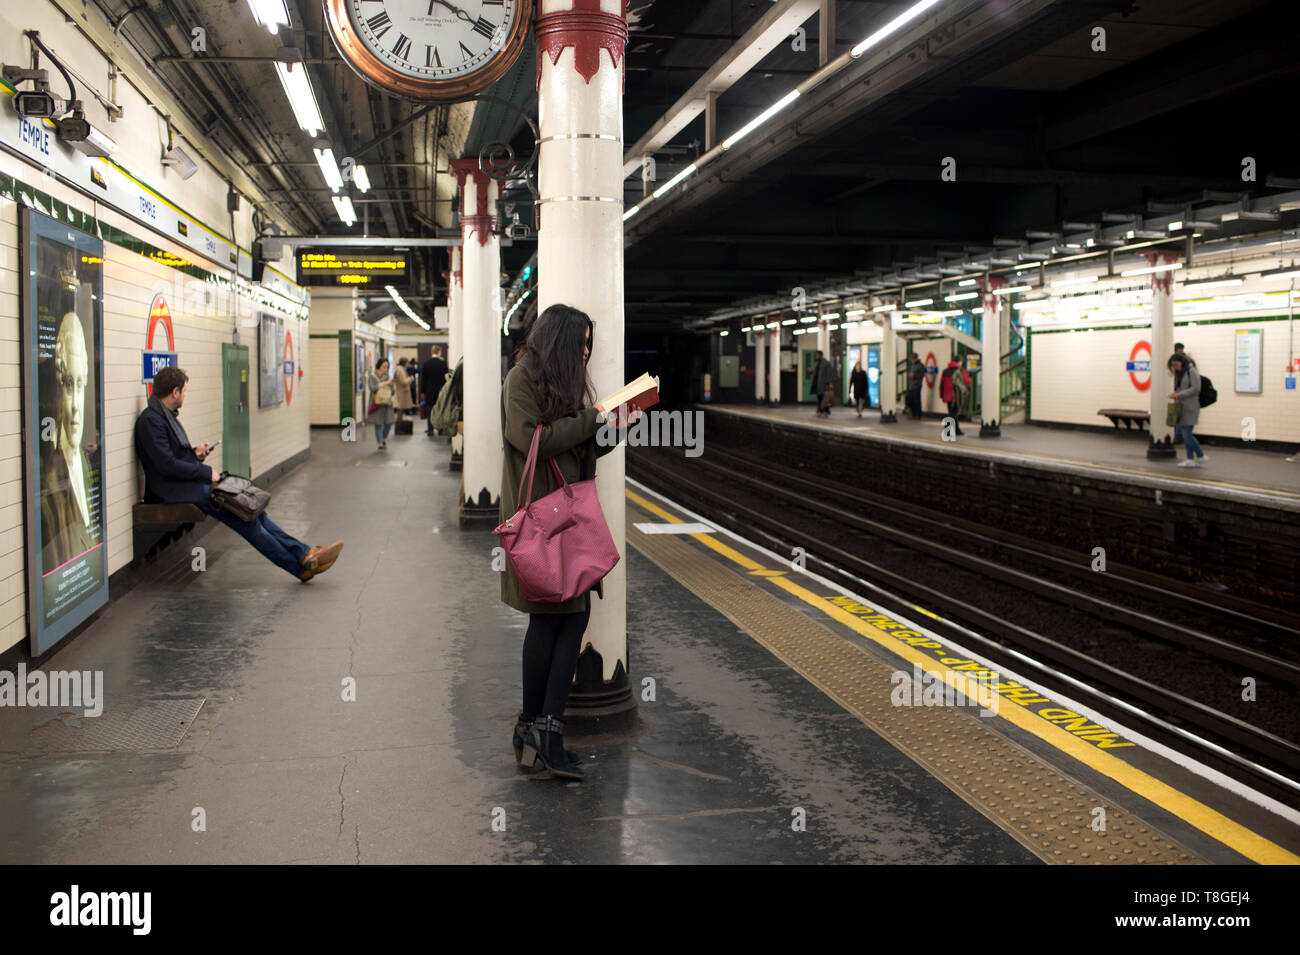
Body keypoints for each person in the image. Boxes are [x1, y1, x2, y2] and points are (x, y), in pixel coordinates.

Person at [501, 304, 621, 782]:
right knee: (551, 620)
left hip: (567, 519)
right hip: (541, 520)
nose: (587, 352)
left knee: (566, 618)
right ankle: (541, 731)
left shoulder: (563, 384)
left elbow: (577, 444)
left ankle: (536, 730)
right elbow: (531, 440)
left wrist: (613, 428)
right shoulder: (520, 379)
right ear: (558, 342)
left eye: (589, 344)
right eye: (581, 343)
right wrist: (591, 419)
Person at [134, 366, 343, 581]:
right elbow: (166, 465)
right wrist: (206, 472)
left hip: (184, 486)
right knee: (246, 518)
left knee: (253, 511)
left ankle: (304, 553)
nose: (185, 396)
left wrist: (195, 453)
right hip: (171, 491)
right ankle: (300, 566)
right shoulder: (151, 421)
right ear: (175, 392)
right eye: (185, 391)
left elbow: (172, 456)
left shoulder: (162, 416)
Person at [39, 312, 98, 569]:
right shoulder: (50, 478)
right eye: (68, 384)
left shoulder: (84, 465)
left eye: (80, 384)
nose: (76, 406)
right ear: (57, 389)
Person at [1169, 353, 1207, 468]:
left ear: (1182, 362)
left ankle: (1200, 455)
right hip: (1181, 406)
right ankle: (1191, 459)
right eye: (1173, 366)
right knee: (1186, 434)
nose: (1175, 367)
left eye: (1176, 365)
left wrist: (1179, 395)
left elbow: (1196, 389)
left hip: (1190, 406)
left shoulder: (1191, 372)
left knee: (1187, 434)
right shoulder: (1180, 373)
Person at [368, 358, 395, 449]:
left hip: (387, 402)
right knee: (378, 423)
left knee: (389, 422)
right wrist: (384, 383)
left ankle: (383, 437)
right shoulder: (372, 376)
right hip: (377, 402)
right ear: (379, 366)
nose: (386, 369)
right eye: (384, 366)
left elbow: (393, 391)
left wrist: (391, 386)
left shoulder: (388, 376)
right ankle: (380, 442)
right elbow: (372, 388)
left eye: (387, 367)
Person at [939, 355, 969, 436]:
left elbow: (941, 384)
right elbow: (966, 381)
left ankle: (956, 430)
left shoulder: (945, 371)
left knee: (953, 412)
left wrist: (941, 395)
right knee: (954, 412)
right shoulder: (961, 371)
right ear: (960, 362)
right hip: (956, 395)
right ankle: (947, 429)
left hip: (947, 395)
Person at [421, 347, 448, 435]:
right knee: (440, 409)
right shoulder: (443, 363)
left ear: (432, 352)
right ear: (439, 352)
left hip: (429, 391)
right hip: (440, 390)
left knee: (430, 410)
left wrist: (422, 391)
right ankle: (440, 429)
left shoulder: (426, 363)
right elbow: (446, 377)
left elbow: (423, 379)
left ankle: (430, 429)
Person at [810, 350, 835, 416]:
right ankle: (820, 410)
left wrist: (828, 383)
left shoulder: (826, 363)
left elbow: (829, 373)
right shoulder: (816, 363)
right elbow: (815, 373)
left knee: (824, 398)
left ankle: (825, 411)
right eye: (816, 355)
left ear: (821, 355)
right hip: (817, 384)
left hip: (823, 384)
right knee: (819, 398)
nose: (816, 356)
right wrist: (811, 372)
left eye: (817, 355)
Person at [906, 355, 926, 419]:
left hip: (917, 385)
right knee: (911, 401)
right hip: (912, 385)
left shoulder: (920, 366)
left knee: (916, 400)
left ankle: (917, 415)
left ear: (915, 358)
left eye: (912, 359)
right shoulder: (913, 365)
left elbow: (922, 375)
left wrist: (914, 375)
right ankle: (913, 414)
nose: (911, 361)